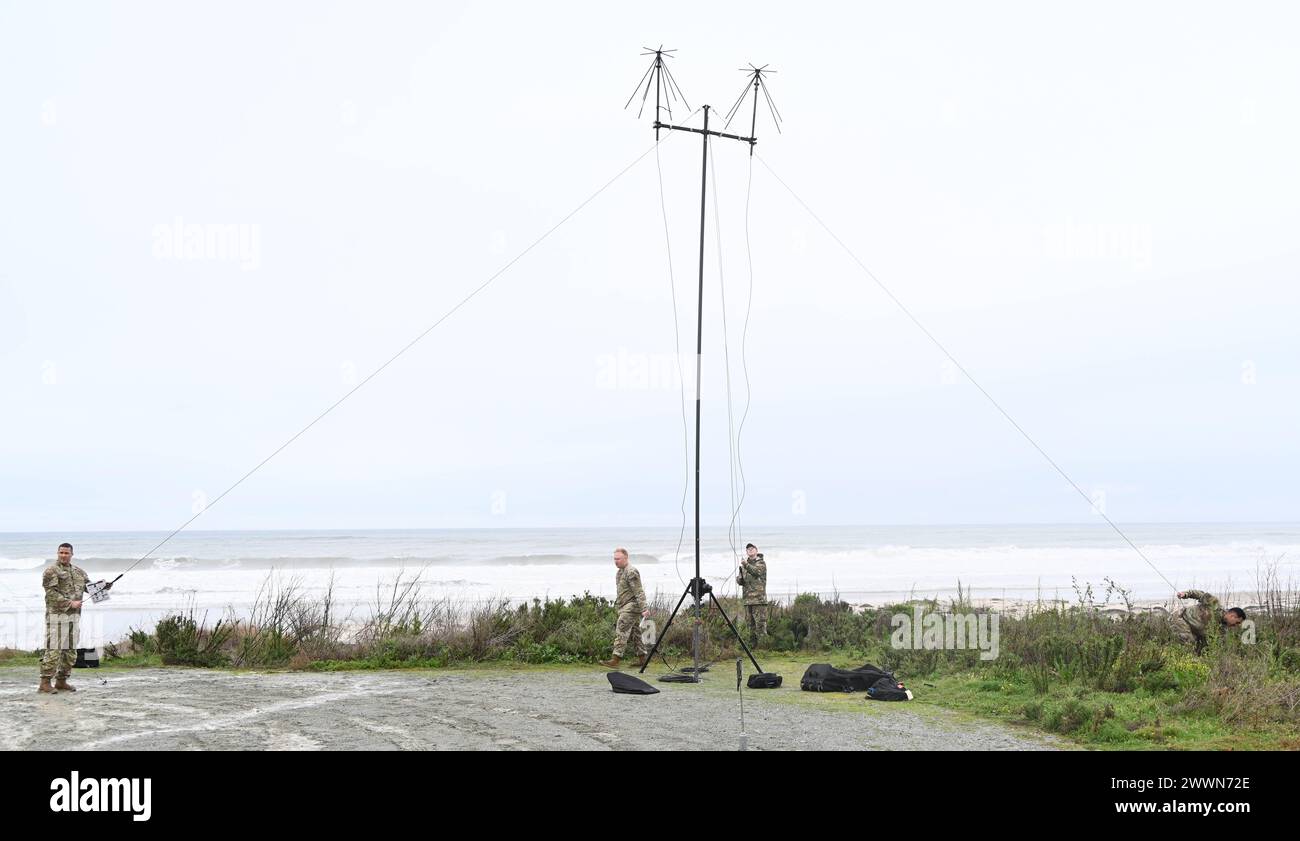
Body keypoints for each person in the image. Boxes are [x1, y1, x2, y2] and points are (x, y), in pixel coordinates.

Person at [39, 543, 96, 693]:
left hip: (74, 618)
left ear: (72, 554)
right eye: (61, 552)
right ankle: (45, 683)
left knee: (70, 652)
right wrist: (70, 603)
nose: (63, 555)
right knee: (54, 651)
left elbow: (90, 588)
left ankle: (61, 681)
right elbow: (51, 594)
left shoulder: (79, 572)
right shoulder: (51, 571)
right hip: (57, 617)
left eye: (66, 553)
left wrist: (105, 586)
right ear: (57, 553)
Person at [599, 547, 649, 669]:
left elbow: (638, 591)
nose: (616, 561)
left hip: (632, 606)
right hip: (624, 606)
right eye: (614, 559)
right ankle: (643, 659)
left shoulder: (631, 571)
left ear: (626, 558)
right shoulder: (620, 572)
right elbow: (622, 592)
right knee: (635, 632)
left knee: (621, 628)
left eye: (618, 559)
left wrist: (644, 608)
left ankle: (615, 659)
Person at [1170, 589, 1245, 652]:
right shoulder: (1215, 605)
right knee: (1188, 642)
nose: (1235, 626)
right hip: (1180, 618)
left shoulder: (1222, 630)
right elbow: (1200, 594)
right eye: (1237, 622)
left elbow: (1214, 645)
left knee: (1201, 646)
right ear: (1232, 615)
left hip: (1193, 630)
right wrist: (1185, 594)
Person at [735, 543, 768, 642]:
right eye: (748, 549)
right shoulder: (745, 565)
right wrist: (739, 578)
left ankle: (764, 647)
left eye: (752, 548)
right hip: (747, 600)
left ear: (756, 550)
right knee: (750, 626)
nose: (750, 550)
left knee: (760, 625)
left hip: (759, 600)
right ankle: (752, 647)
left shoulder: (761, 563)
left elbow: (756, 572)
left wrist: (745, 564)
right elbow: (741, 581)